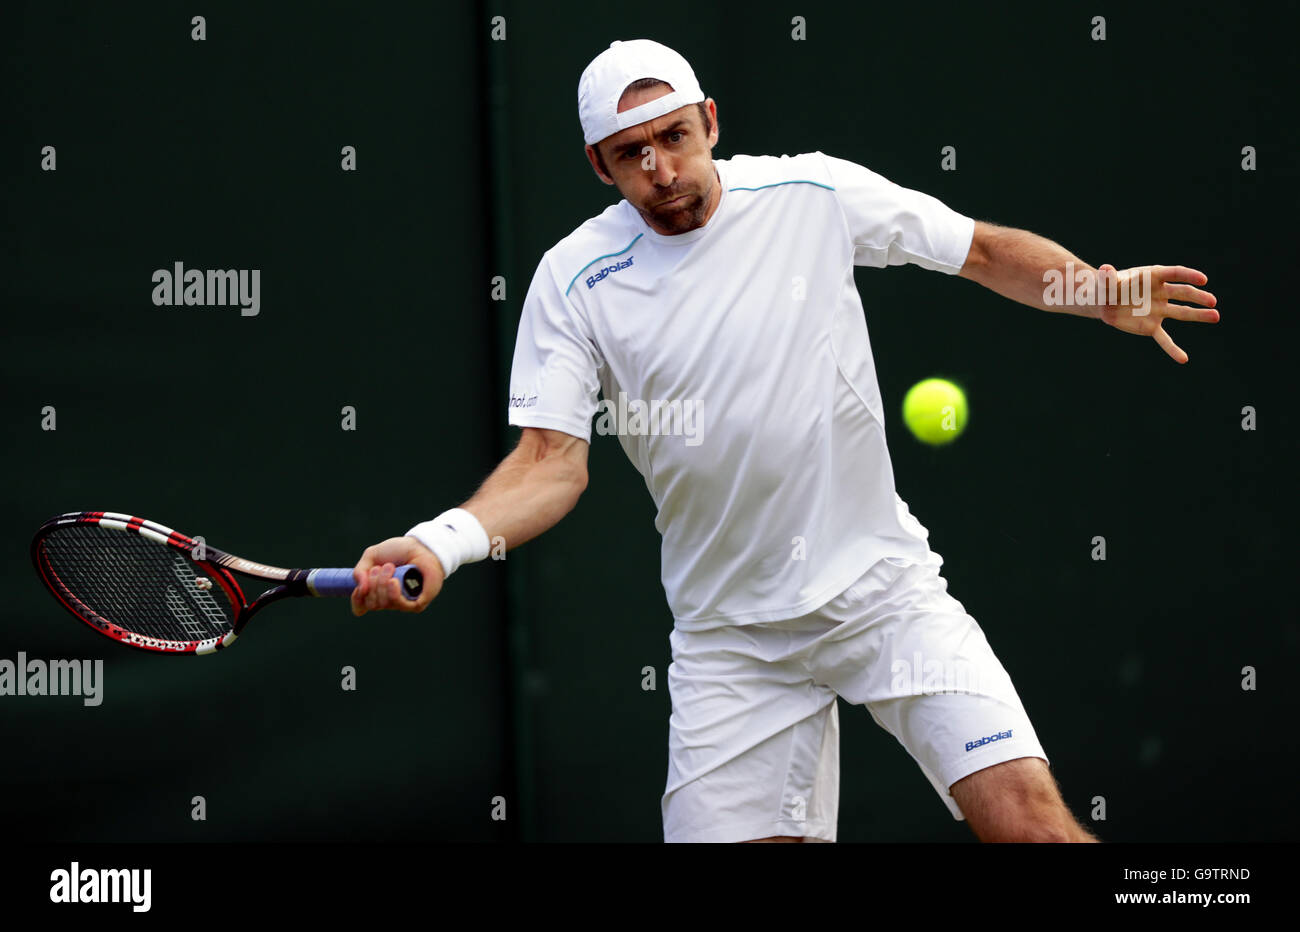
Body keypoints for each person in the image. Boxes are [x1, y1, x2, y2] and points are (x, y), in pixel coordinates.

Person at [350, 39, 1219, 843]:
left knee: (1026, 822)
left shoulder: (813, 194)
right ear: (599, 166)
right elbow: (550, 464)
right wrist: (441, 542)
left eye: (676, 137)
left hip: (885, 596)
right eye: (632, 154)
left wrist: (1092, 293)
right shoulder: (572, 282)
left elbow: (981, 251)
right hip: (730, 638)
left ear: (712, 123)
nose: (663, 170)